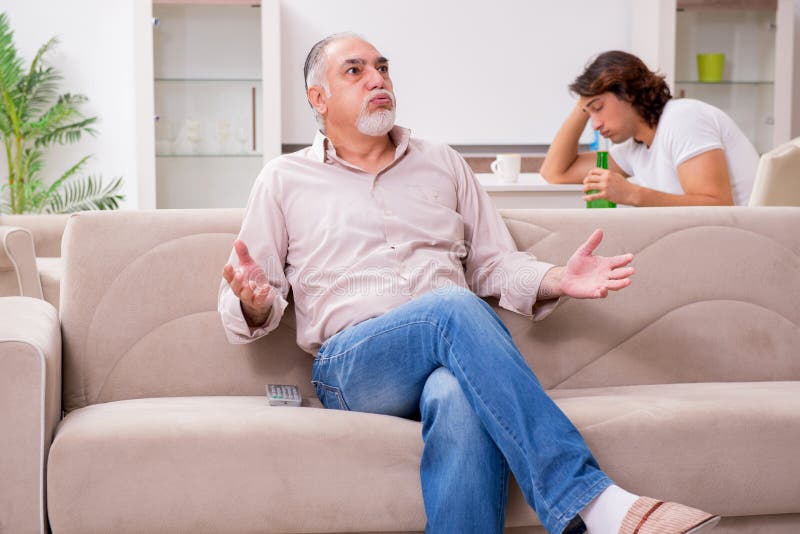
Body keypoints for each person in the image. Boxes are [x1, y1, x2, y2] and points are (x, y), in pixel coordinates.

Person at [218, 33, 720, 534]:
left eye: (383, 67)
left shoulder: (442, 162)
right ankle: (594, 504)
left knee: (456, 392)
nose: (378, 79)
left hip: (449, 351)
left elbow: (493, 263)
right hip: (353, 367)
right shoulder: (283, 179)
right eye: (355, 70)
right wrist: (255, 302)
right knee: (449, 308)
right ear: (318, 98)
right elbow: (243, 304)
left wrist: (556, 278)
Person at [540, 50, 759, 207]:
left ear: (628, 93)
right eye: (589, 113)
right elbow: (556, 172)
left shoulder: (682, 119)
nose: (595, 125)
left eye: (598, 107)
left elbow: (717, 206)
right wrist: (584, 103)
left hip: (742, 247)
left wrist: (633, 194)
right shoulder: (635, 148)